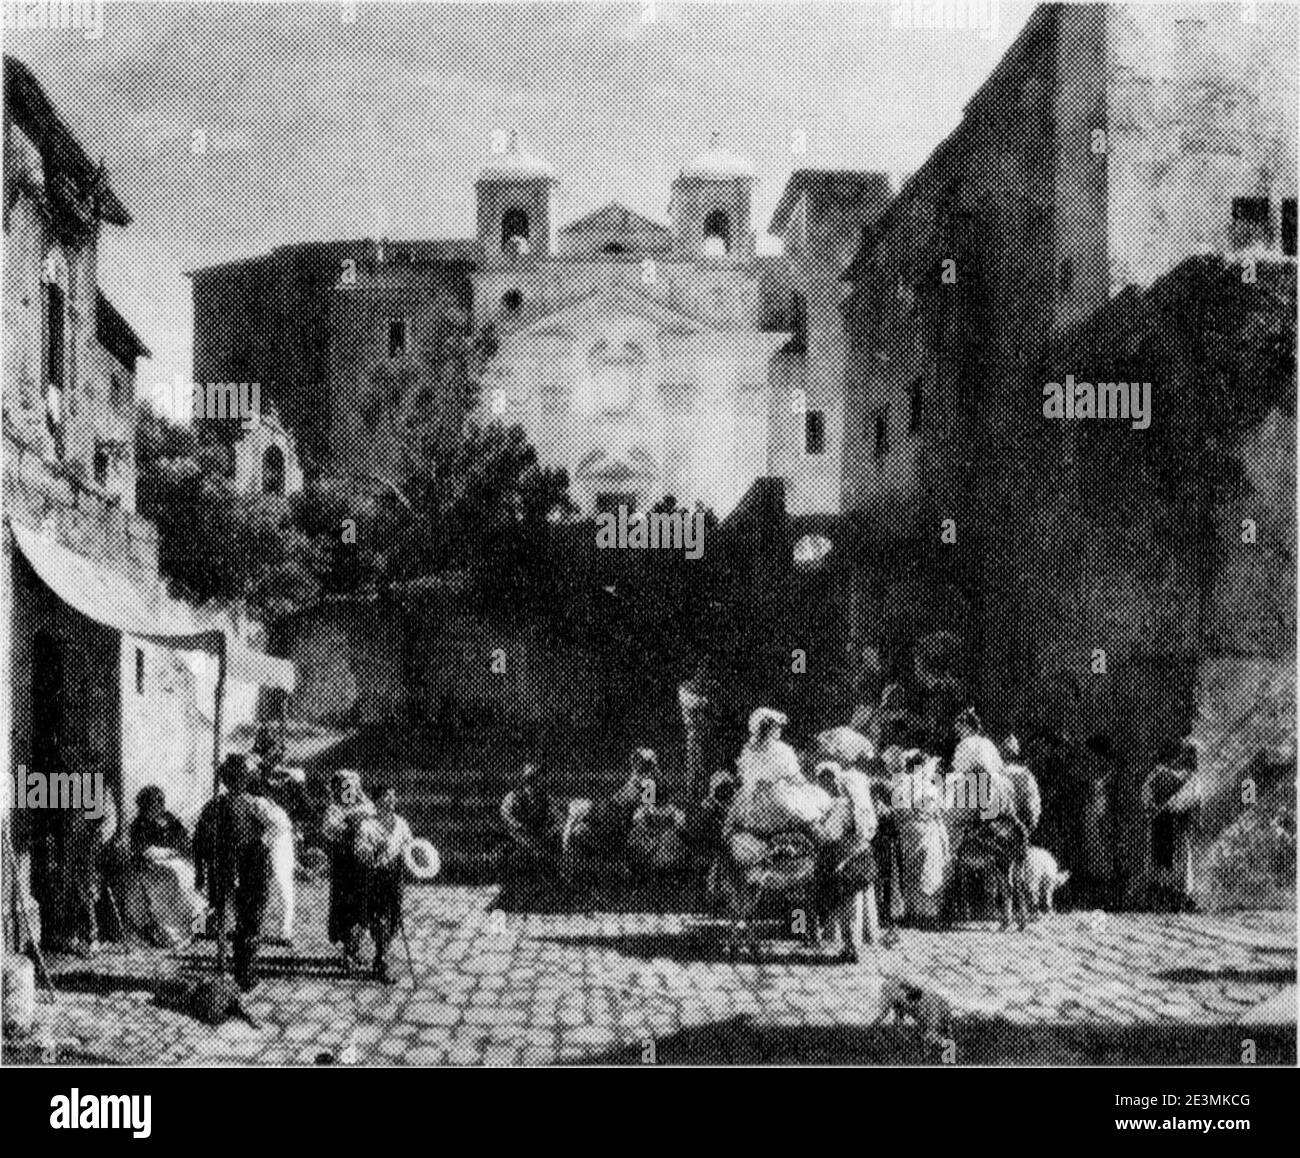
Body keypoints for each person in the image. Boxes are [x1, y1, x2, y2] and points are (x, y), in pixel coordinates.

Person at [192, 755, 273, 990]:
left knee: (249, 921)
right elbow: (199, 842)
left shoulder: (257, 805)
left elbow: (275, 832)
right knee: (226, 915)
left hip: (252, 867)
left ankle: (244, 971)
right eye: (233, 778)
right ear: (228, 780)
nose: (238, 782)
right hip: (226, 867)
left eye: (241, 778)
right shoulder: (215, 807)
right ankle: (233, 969)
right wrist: (200, 871)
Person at [814, 761, 881, 963]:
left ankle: (850, 948)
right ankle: (857, 945)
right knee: (859, 903)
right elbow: (869, 832)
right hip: (862, 857)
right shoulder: (864, 809)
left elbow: (831, 835)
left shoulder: (842, 806)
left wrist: (818, 827)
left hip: (845, 860)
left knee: (845, 904)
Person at [125, 786, 200, 948]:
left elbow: (184, 840)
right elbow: (140, 849)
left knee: (192, 887)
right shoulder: (139, 824)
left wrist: (177, 850)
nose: (156, 807)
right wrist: (160, 853)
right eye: (151, 804)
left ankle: (198, 929)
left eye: (158, 803)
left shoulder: (170, 819)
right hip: (150, 870)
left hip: (177, 862)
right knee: (171, 881)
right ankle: (172, 934)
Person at [322, 769, 377, 969]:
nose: (349, 791)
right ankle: (348, 951)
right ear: (337, 789)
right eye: (345, 787)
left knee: (361, 906)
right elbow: (329, 830)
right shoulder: (334, 809)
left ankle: (356, 949)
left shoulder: (365, 805)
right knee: (345, 907)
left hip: (362, 864)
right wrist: (350, 823)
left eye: (353, 787)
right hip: (344, 866)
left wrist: (356, 815)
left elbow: (372, 813)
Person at [365, 785, 412, 983]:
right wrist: (376, 851)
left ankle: (381, 954)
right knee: (381, 919)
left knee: (394, 920)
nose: (391, 801)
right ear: (377, 802)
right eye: (386, 798)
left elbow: (410, 845)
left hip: (396, 877)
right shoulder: (367, 825)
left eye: (393, 797)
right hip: (377, 878)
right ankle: (381, 962)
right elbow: (361, 852)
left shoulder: (401, 823)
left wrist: (409, 855)